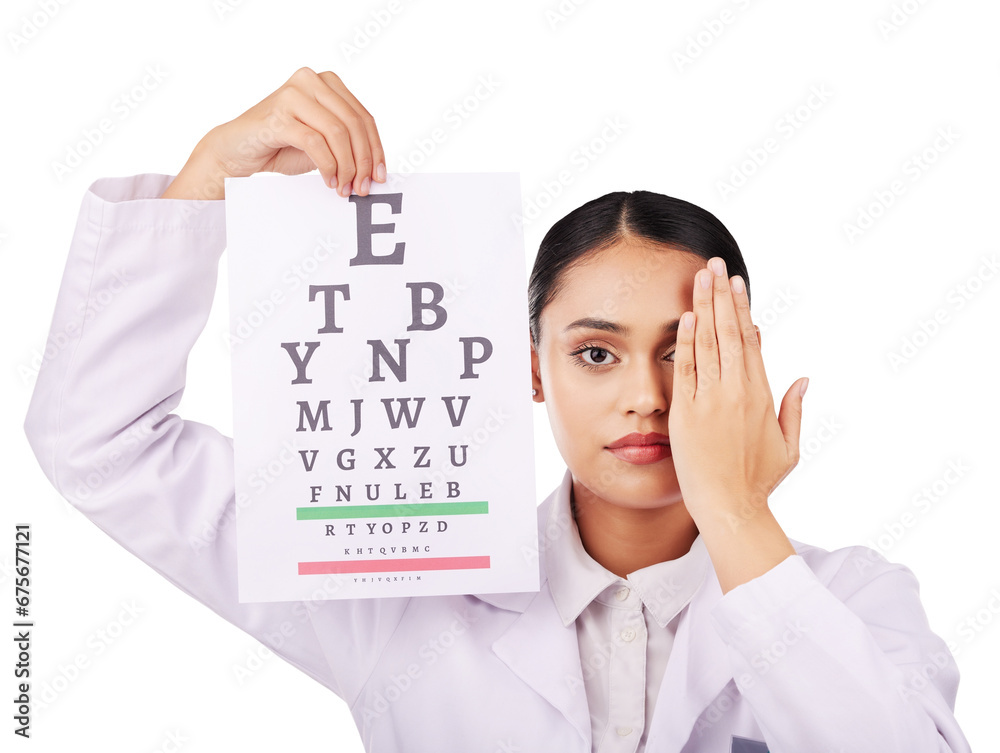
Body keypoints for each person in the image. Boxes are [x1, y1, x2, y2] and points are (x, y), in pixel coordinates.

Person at [24, 67, 971, 752]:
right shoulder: (393, 582)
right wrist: (208, 177)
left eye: (686, 353)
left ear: (744, 367)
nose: (646, 393)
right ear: (530, 371)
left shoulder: (855, 600)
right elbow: (100, 441)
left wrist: (737, 516)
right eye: (595, 352)